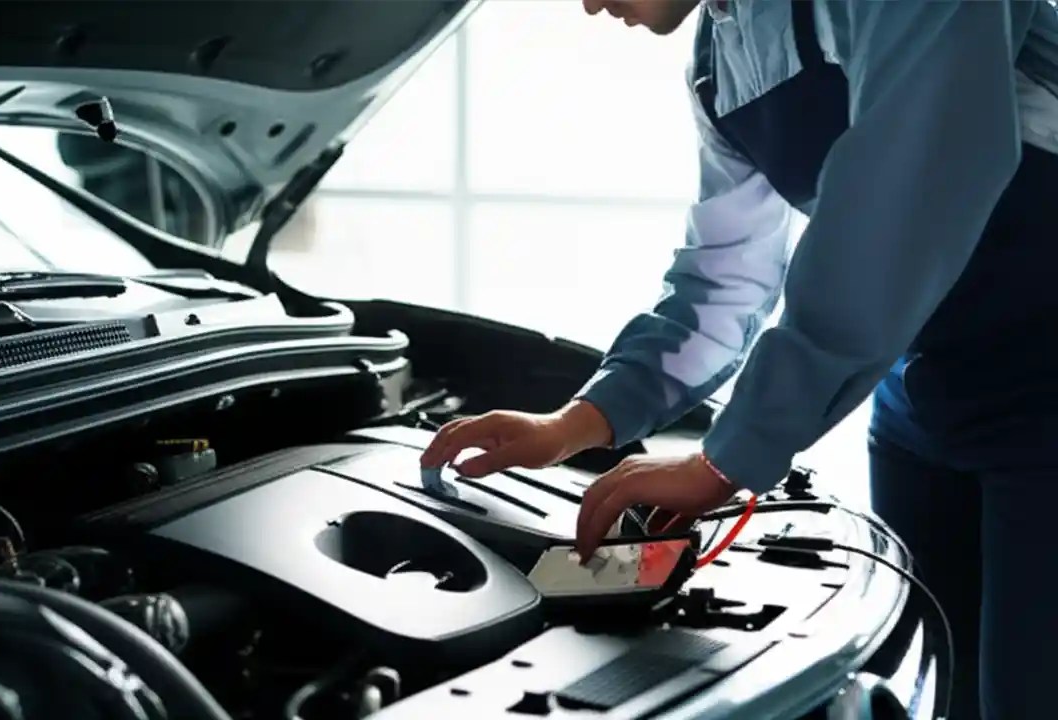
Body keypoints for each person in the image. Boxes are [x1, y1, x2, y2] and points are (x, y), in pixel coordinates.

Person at [419, 1, 1058, 718]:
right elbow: (726, 278)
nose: (587, 2)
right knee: (937, 688)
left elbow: (904, 193)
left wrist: (727, 459)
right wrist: (579, 422)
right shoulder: (717, 66)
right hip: (922, 397)